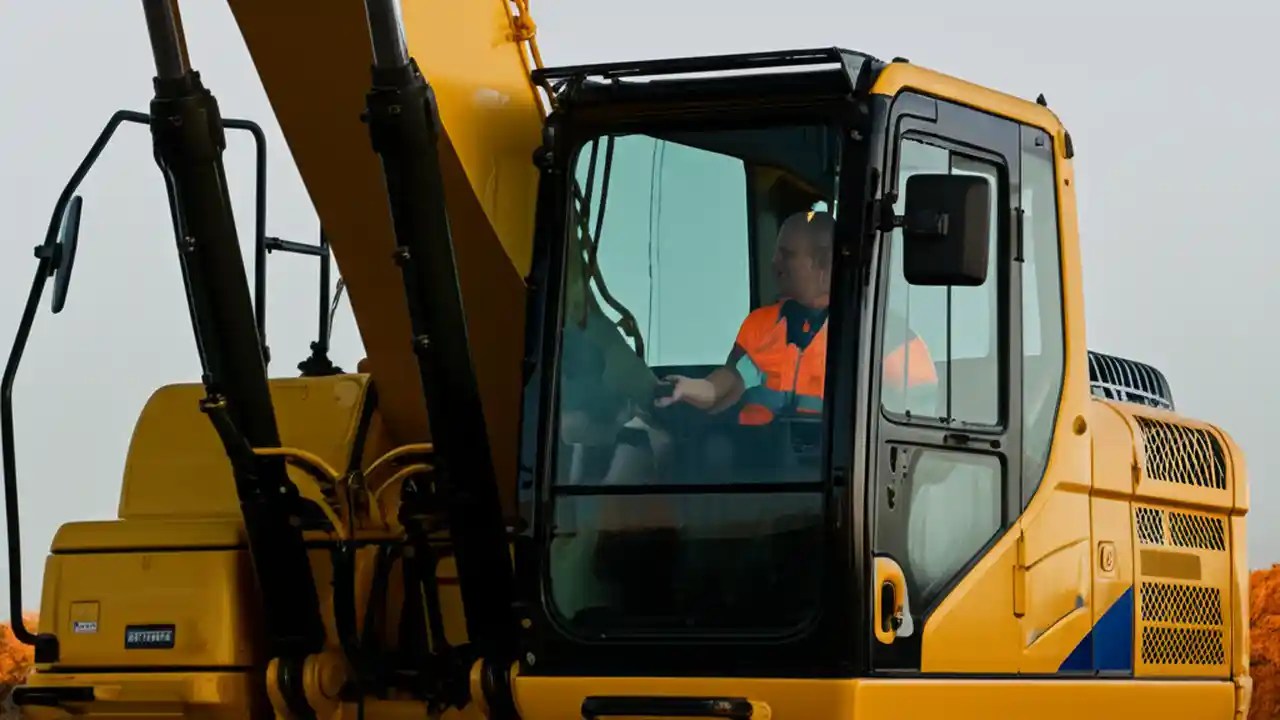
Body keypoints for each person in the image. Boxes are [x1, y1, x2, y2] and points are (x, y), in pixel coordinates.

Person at [656, 209, 938, 424]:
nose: (774, 262)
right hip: (762, 473)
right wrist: (690, 388)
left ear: (824, 264)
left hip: (838, 476)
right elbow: (727, 384)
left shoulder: (887, 337)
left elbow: (916, 431)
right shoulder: (760, 326)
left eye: (786, 255)